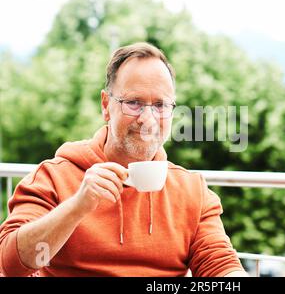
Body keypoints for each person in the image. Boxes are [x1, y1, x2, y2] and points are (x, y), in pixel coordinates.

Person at [0, 42, 247, 277]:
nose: (147, 119)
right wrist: (77, 206)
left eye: (160, 105)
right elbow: (11, 265)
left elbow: (219, 265)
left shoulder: (192, 190)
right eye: (134, 103)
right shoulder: (54, 177)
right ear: (106, 105)